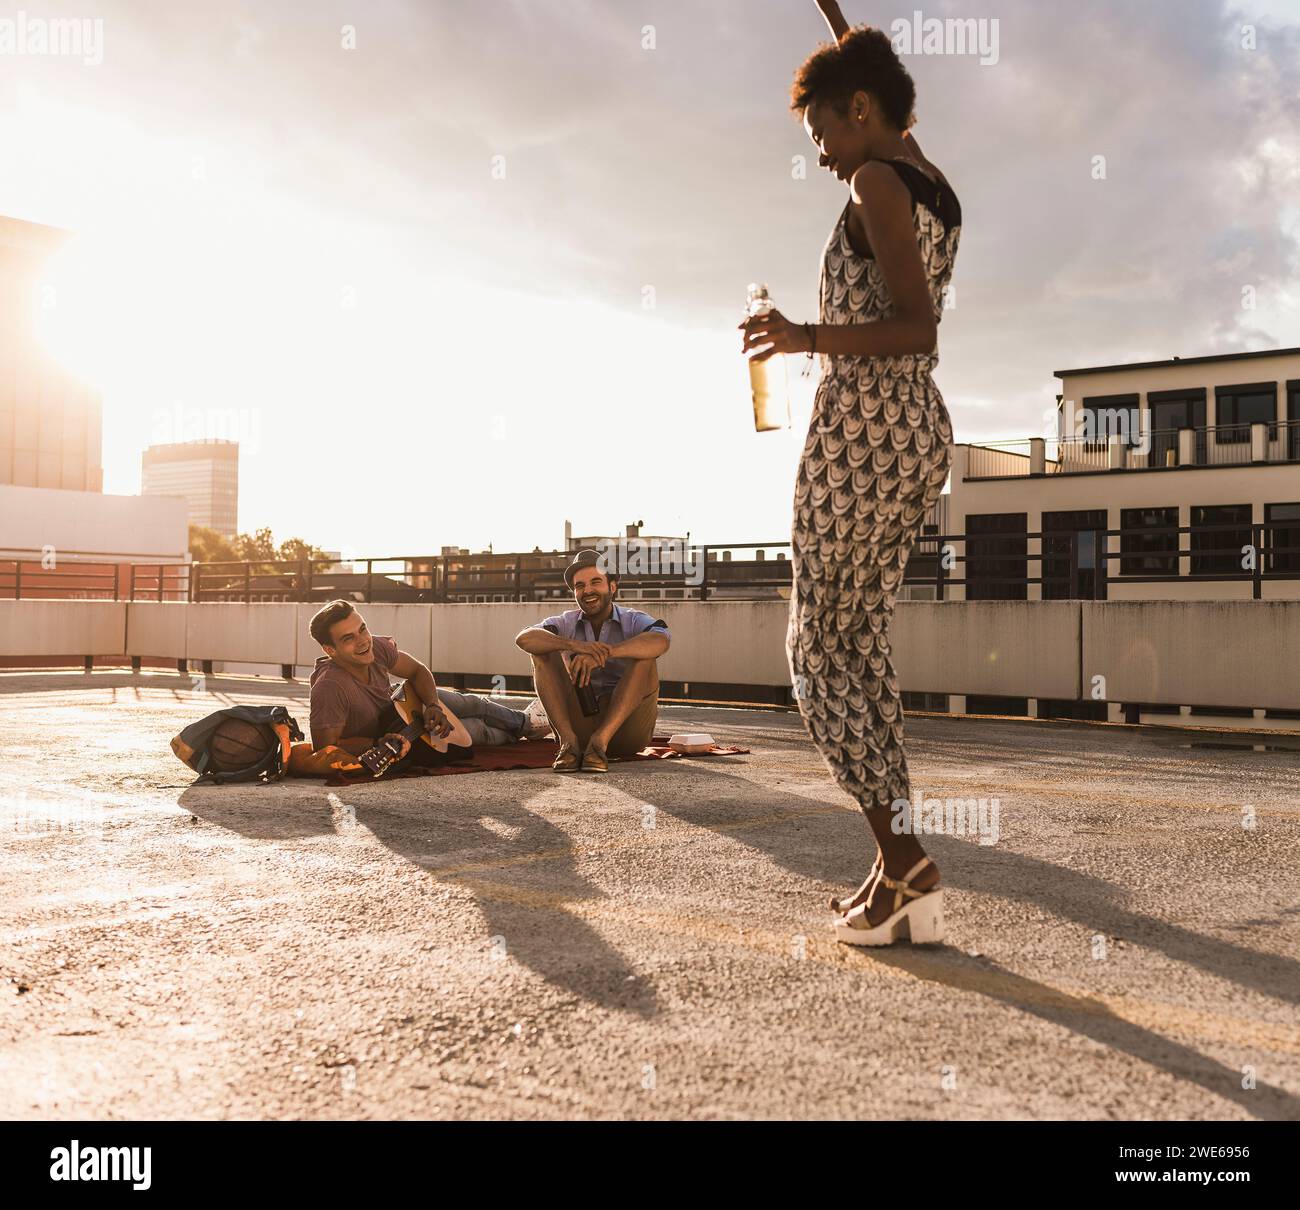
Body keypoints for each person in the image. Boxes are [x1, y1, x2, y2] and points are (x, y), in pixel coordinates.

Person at [739, 4, 961, 946]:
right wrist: (838, 21)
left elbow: (917, 324)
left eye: (822, 129)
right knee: (860, 646)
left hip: (863, 432)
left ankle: (907, 863)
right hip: (914, 434)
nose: (822, 153)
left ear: (861, 109)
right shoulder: (927, 173)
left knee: (814, 656)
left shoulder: (875, 176)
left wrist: (803, 337)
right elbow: (876, 79)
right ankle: (896, 869)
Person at [308, 599, 547, 769]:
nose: (362, 641)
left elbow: (417, 670)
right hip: (401, 737)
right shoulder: (329, 687)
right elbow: (324, 747)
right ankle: (520, 731)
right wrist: (373, 744)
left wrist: (432, 705)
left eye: (362, 629)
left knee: (474, 703)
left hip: (402, 707)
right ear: (330, 650)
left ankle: (528, 723)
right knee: (480, 731)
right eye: (348, 638)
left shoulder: (374, 647)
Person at [514, 549, 670, 773]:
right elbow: (524, 638)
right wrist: (575, 646)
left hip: (628, 731)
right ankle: (568, 745)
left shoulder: (633, 619)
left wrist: (604, 654)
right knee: (541, 651)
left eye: (595, 582)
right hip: (580, 730)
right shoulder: (565, 623)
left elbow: (661, 641)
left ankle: (600, 743)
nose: (587, 590)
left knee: (645, 657)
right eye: (580, 586)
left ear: (612, 586)